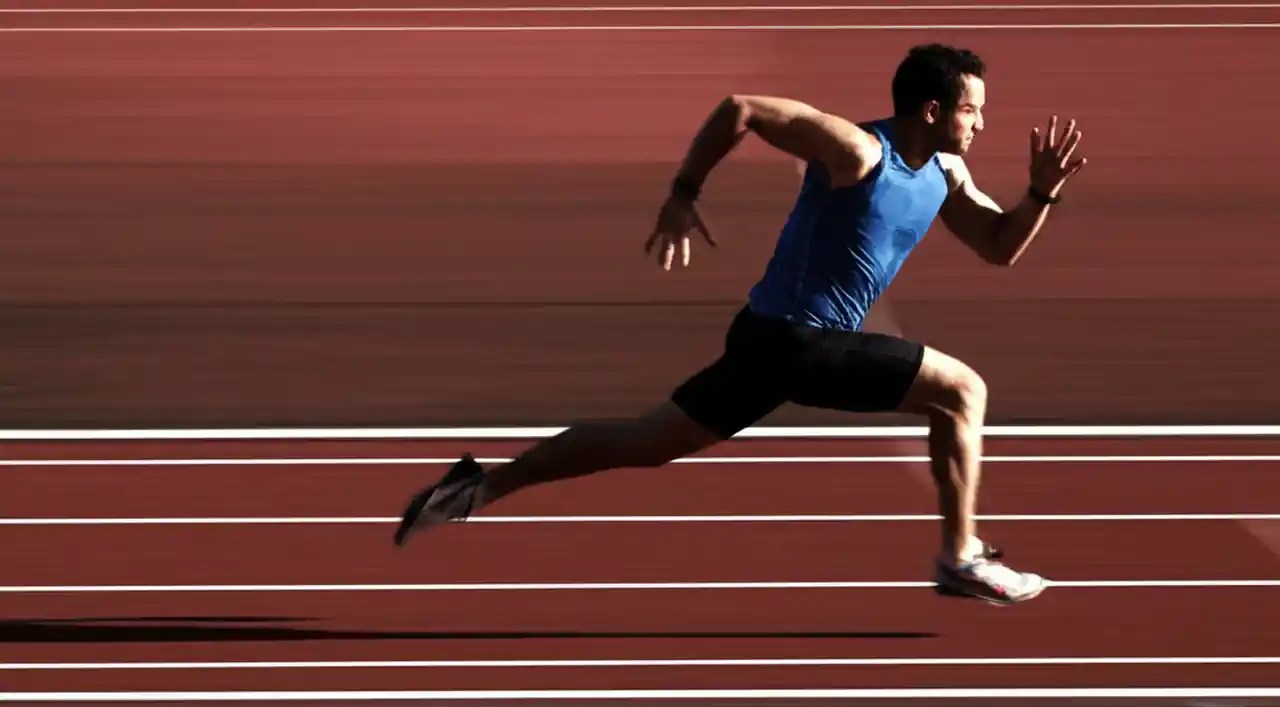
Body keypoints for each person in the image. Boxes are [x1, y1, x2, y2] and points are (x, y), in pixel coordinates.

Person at [393, 43, 1087, 606]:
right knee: (962, 391)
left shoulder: (946, 172)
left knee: (646, 441)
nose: (981, 123)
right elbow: (743, 108)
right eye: (972, 110)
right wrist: (682, 194)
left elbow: (998, 245)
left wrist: (1042, 193)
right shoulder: (857, 151)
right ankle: (960, 556)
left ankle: (477, 488)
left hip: (768, 341)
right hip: (799, 341)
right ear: (933, 109)